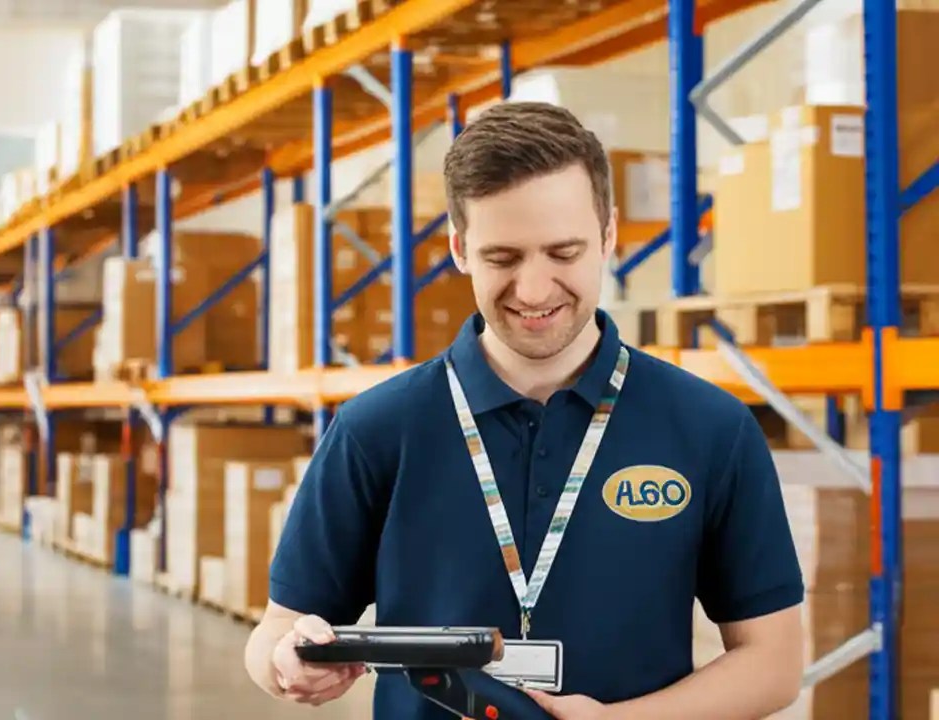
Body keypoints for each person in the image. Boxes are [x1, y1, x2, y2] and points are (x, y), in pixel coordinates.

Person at [242, 101, 806, 719]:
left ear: (609, 235)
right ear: (459, 247)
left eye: (564, 254)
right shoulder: (376, 429)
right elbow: (277, 631)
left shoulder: (710, 429)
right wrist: (286, 664)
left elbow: (772, 663)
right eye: (502, 258)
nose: (534, 292)